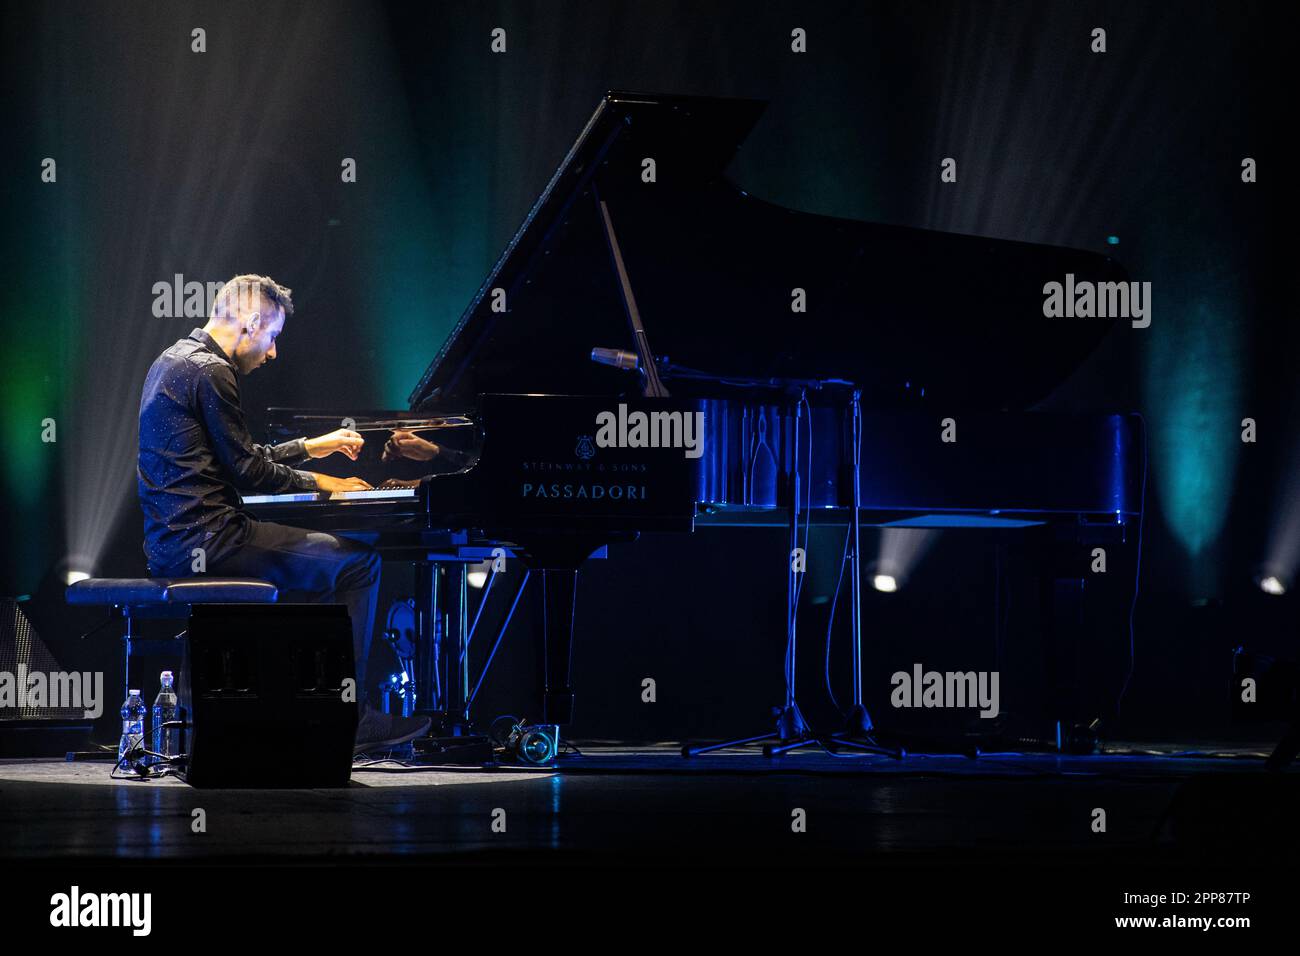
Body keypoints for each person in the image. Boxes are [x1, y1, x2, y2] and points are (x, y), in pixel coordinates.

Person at [137, 273, 431, 753]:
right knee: (360, 564)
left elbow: (239, 454)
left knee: (316, 582)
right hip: (212, 539)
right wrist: (324, 483)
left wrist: (312, 448)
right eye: (272, 337)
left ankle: (297, 713)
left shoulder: (172, 360)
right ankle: (349, 719)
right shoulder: (213, 372)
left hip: (173, 542)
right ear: (252, 323)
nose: (272, 353)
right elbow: (249, 471)